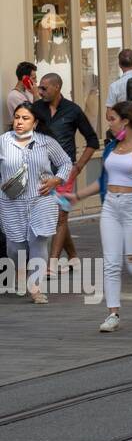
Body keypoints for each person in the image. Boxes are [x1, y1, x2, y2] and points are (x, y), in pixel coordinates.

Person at [75, 101, 132, 331]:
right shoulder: (113, 146)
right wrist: (77, 196)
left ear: (125, 120)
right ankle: (113, 313)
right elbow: (103, 181)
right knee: (111, 263)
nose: (109, 124)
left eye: (112, 118)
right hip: (111, 206)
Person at [0, 102, 71, 303]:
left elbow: (65, 162)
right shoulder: (3, 142)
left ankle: (36, 287)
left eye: (25, 118)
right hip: (11, 202)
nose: (19, 122)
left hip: (41, 199)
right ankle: (20, 275)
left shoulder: (46, 142)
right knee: (15, 247)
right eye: (17, 117)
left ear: (35, 122)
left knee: (39, 241)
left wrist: (56, 180)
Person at [31, 72, 99, 270]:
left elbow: (93, 141)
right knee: (54, 216)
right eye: (40, 87)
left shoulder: (73, 111)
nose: (40, 91)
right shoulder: (36, 109)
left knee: (60, 216)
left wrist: (78, 167)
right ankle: (73, 256)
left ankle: (51, 265)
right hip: (41, 173)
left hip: (64, 172)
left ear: (57, 88)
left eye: (44, 88)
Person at [6, 62, 37, 131]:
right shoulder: (14, 96)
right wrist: (35, 94)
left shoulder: (28, 92)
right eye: (34, 78)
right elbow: (32, 114)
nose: (36, 81)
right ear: (25, 78)